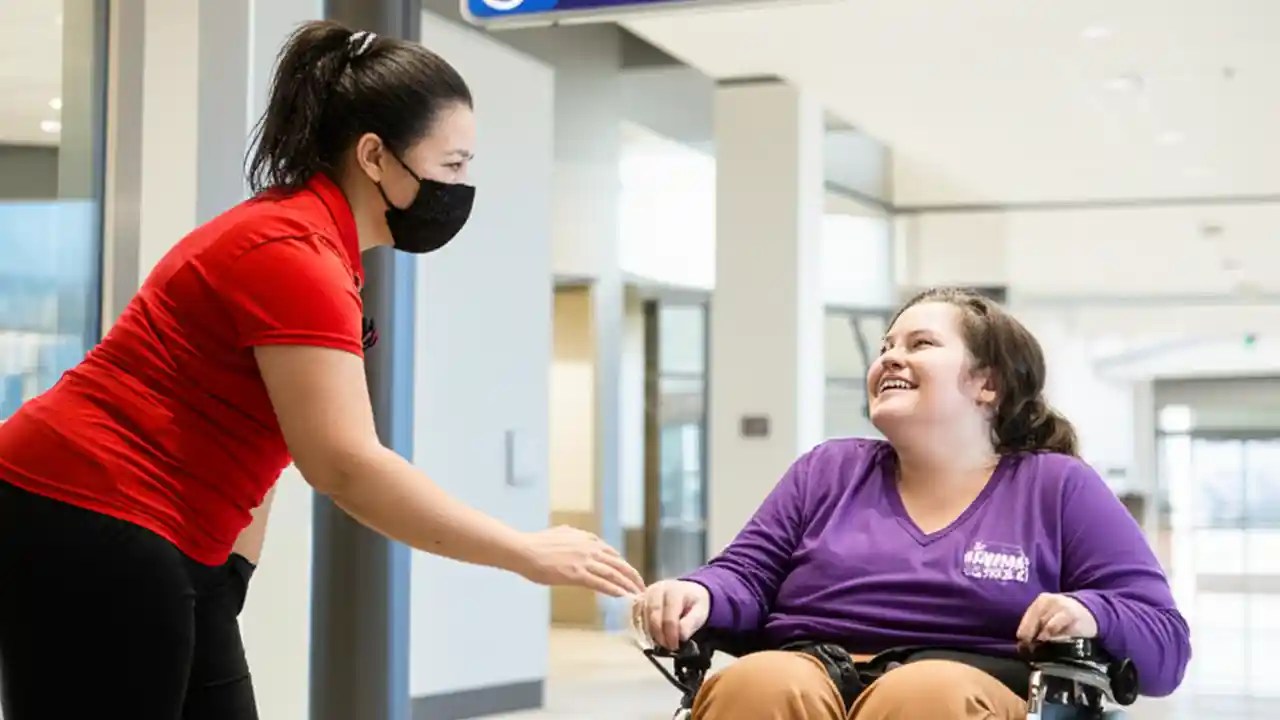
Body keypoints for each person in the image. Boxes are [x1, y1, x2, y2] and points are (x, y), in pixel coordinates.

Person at [0, 20, 644, 720]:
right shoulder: (292, 253)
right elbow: (344, 466)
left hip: (158, 530)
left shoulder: (311, 243)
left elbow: (270, 431)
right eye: (452, 165)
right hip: (88, 511)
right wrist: (523, 550)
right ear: (374, 155)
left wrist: (230, 568)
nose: (462, 187)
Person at [637, 288, 1191, 720]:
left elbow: (1165, 644)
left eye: (919, 344)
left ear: (987, 384)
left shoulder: (1057, 487)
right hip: (809, 669)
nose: (890, 359)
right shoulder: (827, 471)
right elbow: (745, 577)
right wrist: (699, 593)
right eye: (885, 348)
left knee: (924, 695)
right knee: (754, 685)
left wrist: (1093, 613)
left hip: (968, 688)